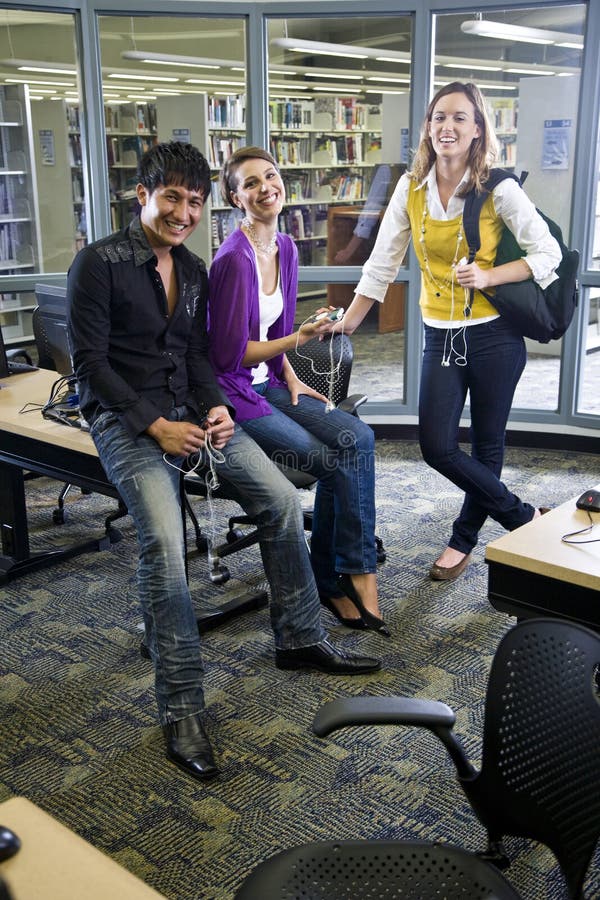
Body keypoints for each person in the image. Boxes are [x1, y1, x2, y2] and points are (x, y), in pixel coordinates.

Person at [66, 141, 381, 785]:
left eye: (193, 200)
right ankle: (181, 709)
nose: (183, 212)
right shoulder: (97, 264)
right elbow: (90, 368)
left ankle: (297, 636)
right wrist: (156, 424)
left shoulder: (196, 269)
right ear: (142, 196)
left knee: (280, 501)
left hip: (193, 412)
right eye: (171, 197)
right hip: (127, 422)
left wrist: (214, 407)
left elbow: (202, 357)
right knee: (162, 539)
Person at [327, 82, 561, 583]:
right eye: (438, 118)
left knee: (487, 443)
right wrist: (348, 321)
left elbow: (549, 256)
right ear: (428, 128)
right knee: (436, 445)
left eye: (459, 118)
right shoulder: (411, 189)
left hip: (495, 335)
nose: (446, 127)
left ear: (478, 130)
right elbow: (381, 263)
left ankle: (462, 540)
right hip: (441, 335)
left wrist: (490, 275)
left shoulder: (498, 188)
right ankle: (523, 518)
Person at [208, 146, 389, 635]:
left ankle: (347, 570)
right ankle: (342, 576)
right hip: (238, 394)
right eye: (250, 183)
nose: (266, 187)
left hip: (272, 383)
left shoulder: (285, 247)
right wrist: (297, 341)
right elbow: (229, 357)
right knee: (333, 464)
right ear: (234, 197)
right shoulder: (232, 261)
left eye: (271, 176)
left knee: (359, 440)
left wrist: (292, 377)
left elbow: (276, 331)